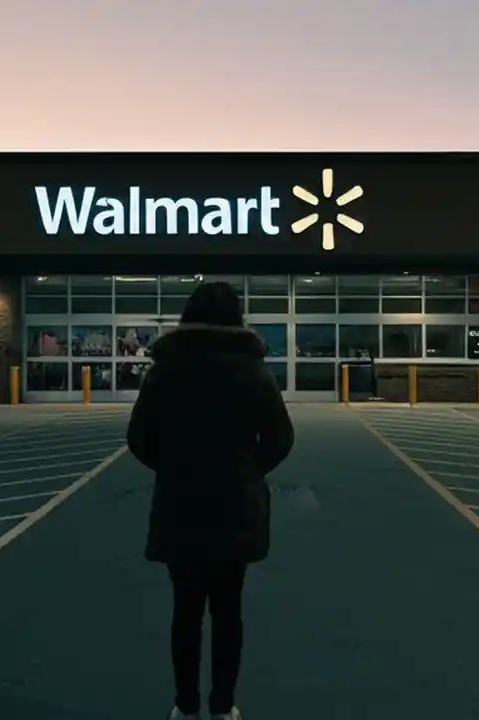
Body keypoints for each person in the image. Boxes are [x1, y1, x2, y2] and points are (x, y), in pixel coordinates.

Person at [127, 280, 295, 720]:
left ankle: (185, 706)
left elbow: (139, 438)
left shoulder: (165, 371)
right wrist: (246, 470)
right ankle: (222, 706)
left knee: (185, 611)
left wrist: (175, 467)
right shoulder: (253, 372)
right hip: (234, 506)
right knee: (227, 610)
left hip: (181, 503)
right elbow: (280, 438)